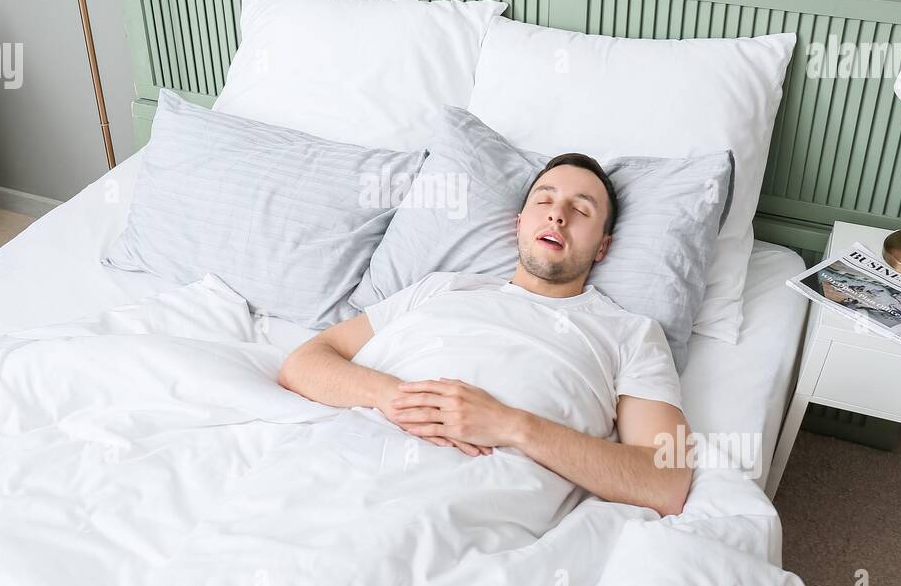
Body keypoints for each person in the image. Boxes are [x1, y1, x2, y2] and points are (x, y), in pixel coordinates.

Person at [278, 153, 693, 517]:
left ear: (602, 247)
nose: (557, 215)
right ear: (519, 224)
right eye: (544, 201)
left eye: (580, 210)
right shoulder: (442, 287)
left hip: (464, 504)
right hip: (341, 464)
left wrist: (510, 425)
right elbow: (304, 363)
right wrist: (392, 397)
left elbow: (665, 481)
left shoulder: (630, 333)